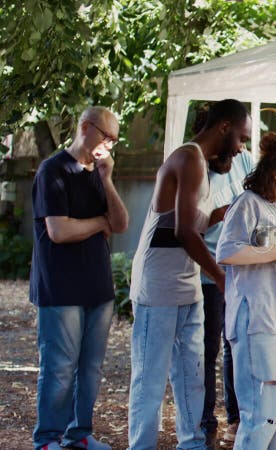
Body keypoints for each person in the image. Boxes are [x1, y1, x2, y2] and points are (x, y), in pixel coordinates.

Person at [128, 99, 250, 450]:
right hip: (159, 286)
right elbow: (182, 231)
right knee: (150, 379)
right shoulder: (189, 157)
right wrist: (221, 276)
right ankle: (141, 445)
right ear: (224, 127)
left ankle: (193, 442)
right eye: (241, 138)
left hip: (188, 285)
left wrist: (224, 213)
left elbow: (193, 221)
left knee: (192, 374)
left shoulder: (203, 165)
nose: (241, 147)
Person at [30, 106, 129, 450]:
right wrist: (98, 224)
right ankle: (47, 439)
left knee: (90, 368)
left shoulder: (100, 172)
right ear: (85, 127)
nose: (109, 146)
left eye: (114, 140)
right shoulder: (52, 171)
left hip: (97, 287)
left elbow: (119, 224)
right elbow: (58, 230)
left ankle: (79, 435)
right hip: (60, 287)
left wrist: (107, 179)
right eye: (107, 136)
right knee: (59, 368)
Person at [216, 132, 276, 449]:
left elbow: (275, 258)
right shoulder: (247, 204)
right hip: (256, 322)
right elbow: (227, 252)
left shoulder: (275, 208)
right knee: (262, 414)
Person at [191, 104, 252, 449]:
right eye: (238, 139)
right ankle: (204, 423)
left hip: (238, 269)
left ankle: (236, 417)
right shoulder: (195, 165)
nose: (241, 148)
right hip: (207, 272)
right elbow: (189, 229)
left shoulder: (242, 160)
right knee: (208, 348)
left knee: (236, 344)